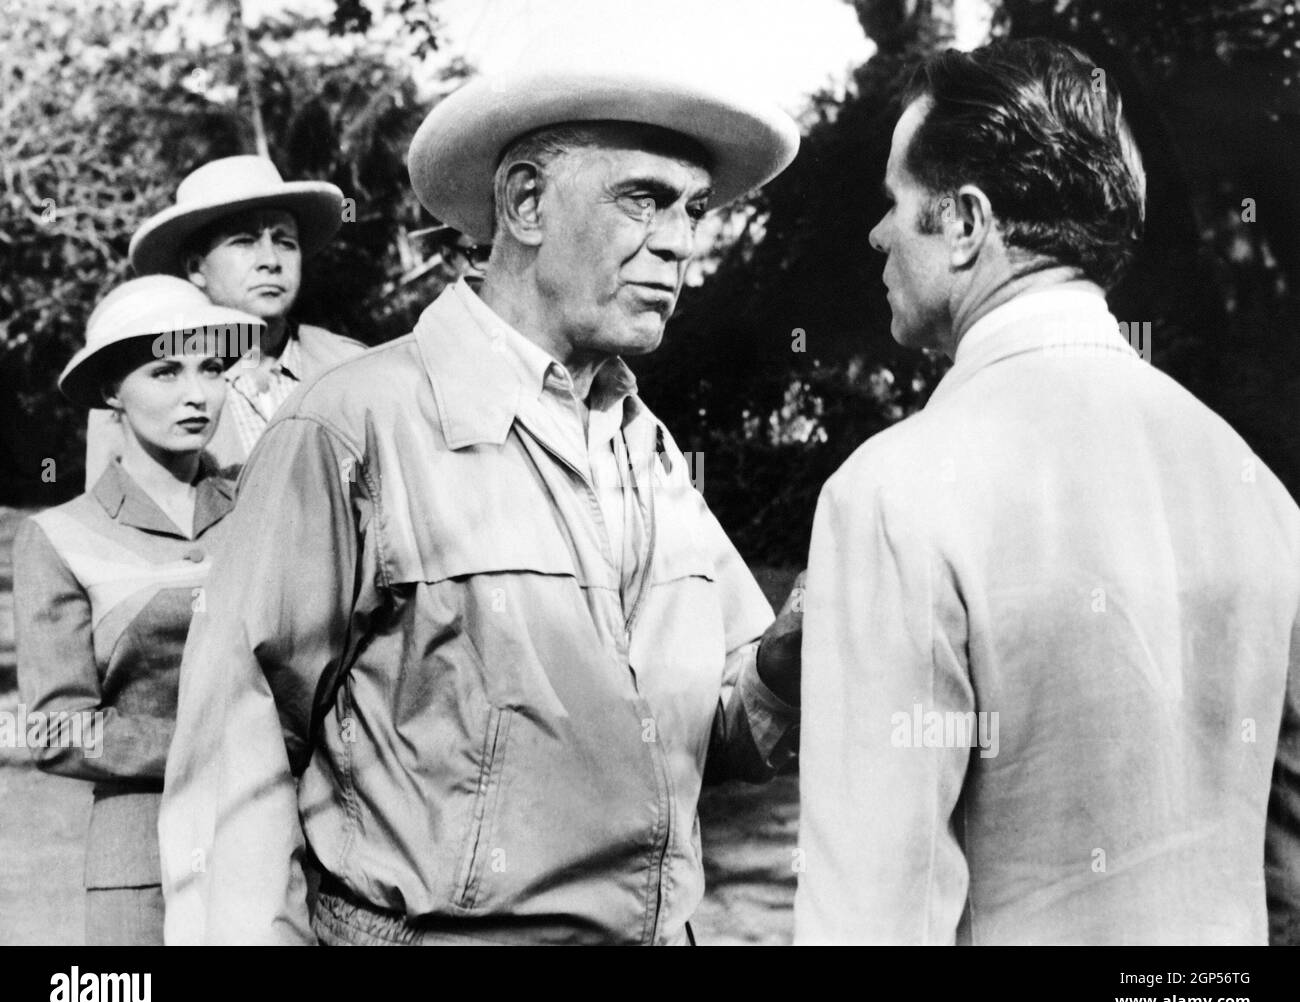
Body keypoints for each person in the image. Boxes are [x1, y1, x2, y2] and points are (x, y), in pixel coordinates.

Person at [159, 58, 805, 945]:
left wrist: (782, 665)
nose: (681, 243)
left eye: (695, 209)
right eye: (643, 199)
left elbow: (711, 730)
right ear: (526, 203)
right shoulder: (353, 426)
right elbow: (232, 768)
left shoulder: (644, 445)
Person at [795, 38, 1300, 945]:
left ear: (966, 223)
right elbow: (1288, 863)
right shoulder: (1255, 488)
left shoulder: (890, 495)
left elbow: (872, 912)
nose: (876, 234)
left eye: (895, 202)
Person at [13, 276, 264, 945]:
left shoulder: (265, 509)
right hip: (141, 863)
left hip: (273, 846)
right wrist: (213, 746)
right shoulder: (61, 536)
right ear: (108, 391)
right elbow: (58, 730)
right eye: (164, 371)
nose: (195, 394)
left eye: (211, 368)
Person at [84, 155, 365, 483]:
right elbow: (111, 522)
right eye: (244, 241)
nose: (271, 260)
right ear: (195, 268)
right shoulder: (138, 387)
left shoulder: (350, 364)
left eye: (285, 242)